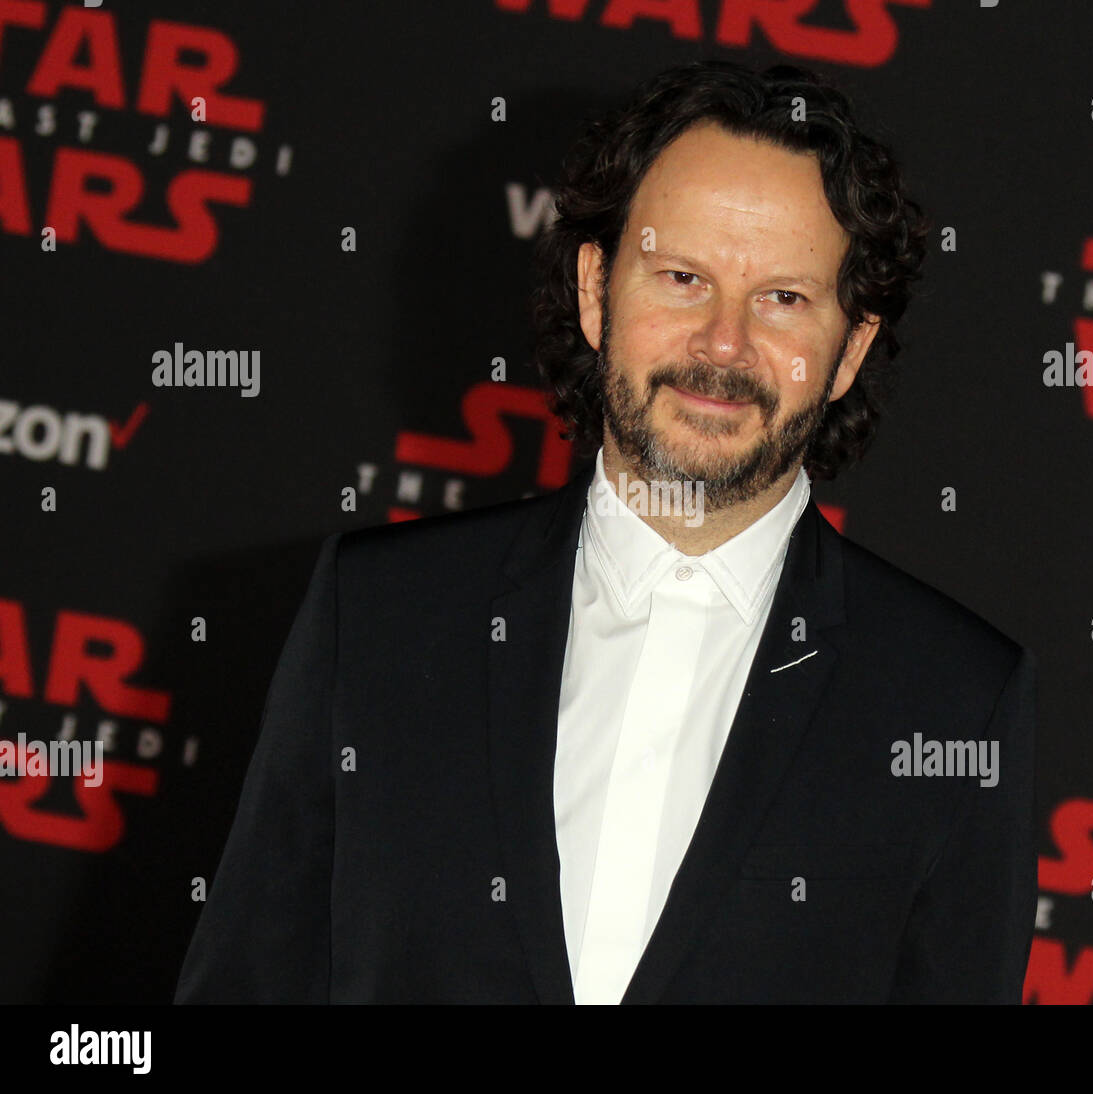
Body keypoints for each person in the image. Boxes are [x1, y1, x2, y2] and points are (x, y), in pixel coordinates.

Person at [175, 59, 1036, 1005]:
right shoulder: (380, 617)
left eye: (783, 298)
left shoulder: (952, 699)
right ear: (596, 292)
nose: (722, 343)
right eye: (681, 277)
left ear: (851, 351)